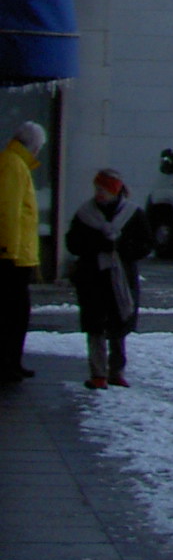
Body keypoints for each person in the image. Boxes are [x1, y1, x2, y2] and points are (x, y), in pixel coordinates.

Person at [67, 169, 151, 390]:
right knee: (94, 325)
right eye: (97, 189)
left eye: (104, 189)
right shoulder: (85, 213)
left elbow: (145, 245)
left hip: (121, 277)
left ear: (116, 191)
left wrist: (123, 249)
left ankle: (116, 371)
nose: (99, 193)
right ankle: (98, 373)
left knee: (119, 324)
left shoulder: (133, 214)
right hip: (92, 277)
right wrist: (97, 246)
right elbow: (73, 243)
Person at [0, 120, 40, 383]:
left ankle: (12, 361)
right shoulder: (14, 165)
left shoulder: (14, 163)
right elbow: (9, 212)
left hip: (18, 254)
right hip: (14, 256)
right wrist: (9, 253)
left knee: (15, 312)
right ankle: (9, 363)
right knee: (14, 313)